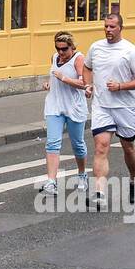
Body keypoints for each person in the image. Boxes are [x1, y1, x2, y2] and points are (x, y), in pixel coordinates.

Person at [83, 13, 135, 207]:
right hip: (102, 106)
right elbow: (87, 68)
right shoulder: (96, 47)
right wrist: (88, 85)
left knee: (128, 147)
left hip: (125, 107)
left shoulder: (131, 51)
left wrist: (121, 86)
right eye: (106, 26)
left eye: (112, 27)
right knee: (101, 146)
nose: (108, 30)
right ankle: (99, 192)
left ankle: (132, 179)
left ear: (120, 28)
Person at [40, 32, 90, 198]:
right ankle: (51, 182)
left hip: (74, 107)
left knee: (77, 144)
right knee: (52, 143)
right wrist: (49, 83)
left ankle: (82, 174)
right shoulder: (54, 57)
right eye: (58, 48)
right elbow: (53, 76)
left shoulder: (79, 59)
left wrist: (63, 78)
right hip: (54, 105)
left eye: (64, 49)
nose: (60, 52)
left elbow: (84, 84)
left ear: (72, 47)